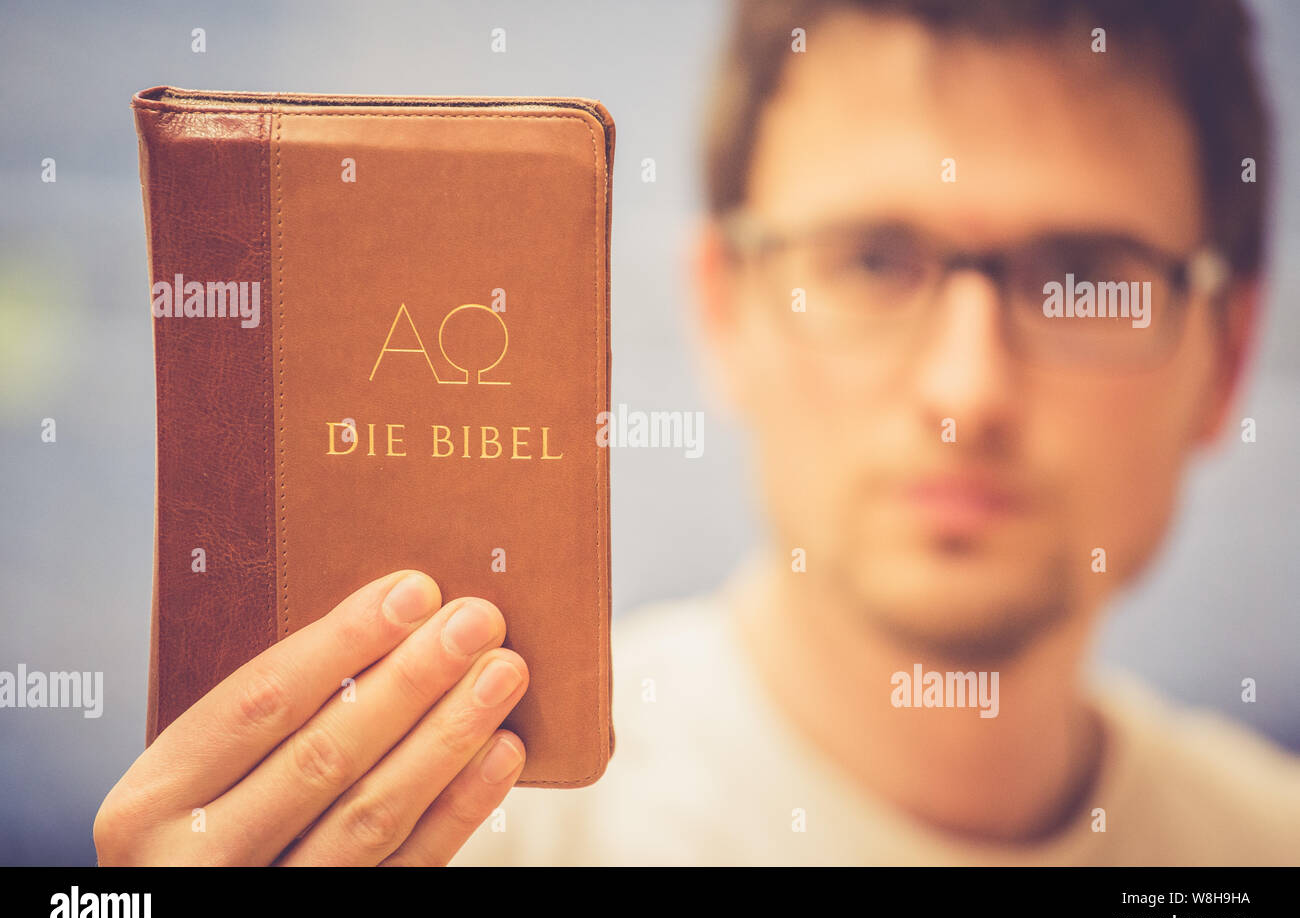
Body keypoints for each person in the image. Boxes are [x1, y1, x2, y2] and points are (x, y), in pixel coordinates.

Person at [94, 0, 1299, 866]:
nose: (964, 388)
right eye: (873, 260)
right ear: (721, 310)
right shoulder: (446, 839)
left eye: (1085, 274)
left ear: (1227, 356)